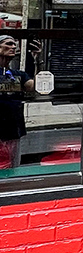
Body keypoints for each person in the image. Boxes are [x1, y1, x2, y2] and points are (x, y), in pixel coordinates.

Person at [0, 34, 41, 169]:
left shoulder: (18, 74)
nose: (13, 47)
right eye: (8, 44)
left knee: (12, 166)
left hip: (13, 128)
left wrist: (37, 61)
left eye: (14, 44)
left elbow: (35, 87)